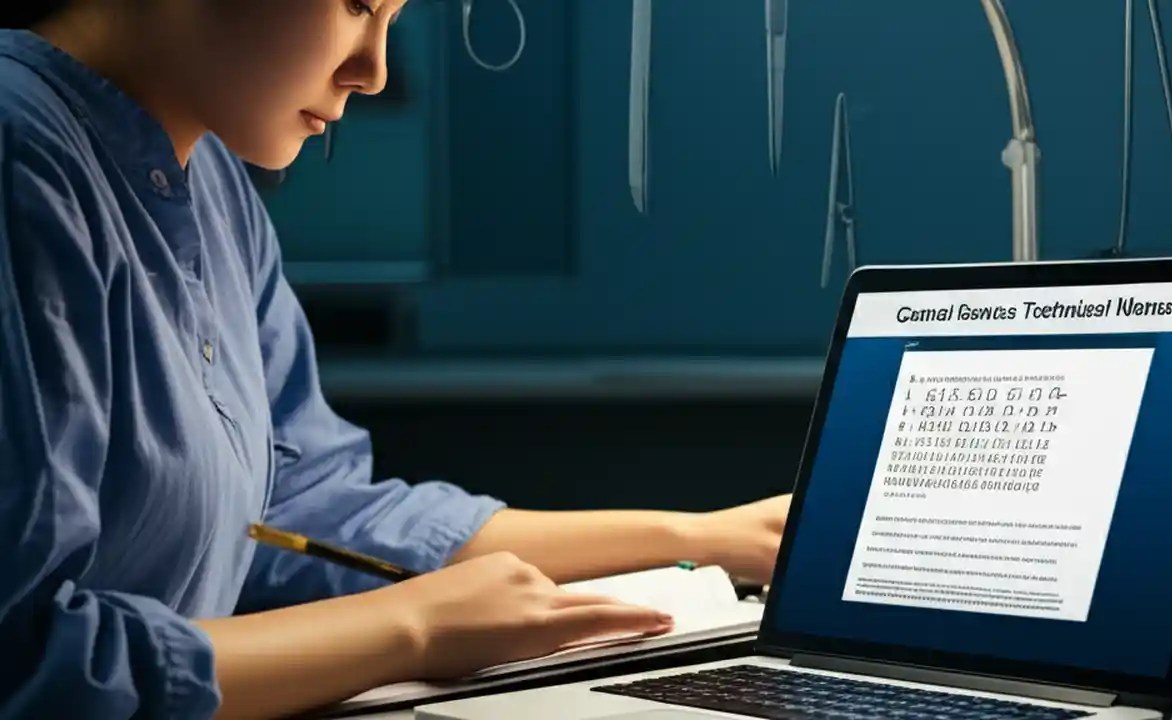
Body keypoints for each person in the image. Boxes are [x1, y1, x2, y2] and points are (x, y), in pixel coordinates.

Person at [0, 1, 793, 718]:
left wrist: (700, 538)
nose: (373, 71)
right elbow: (28, 660)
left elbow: (301, 514)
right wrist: (412, 627)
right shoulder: (21, 158)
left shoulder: (208, 183)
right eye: (357, 6)